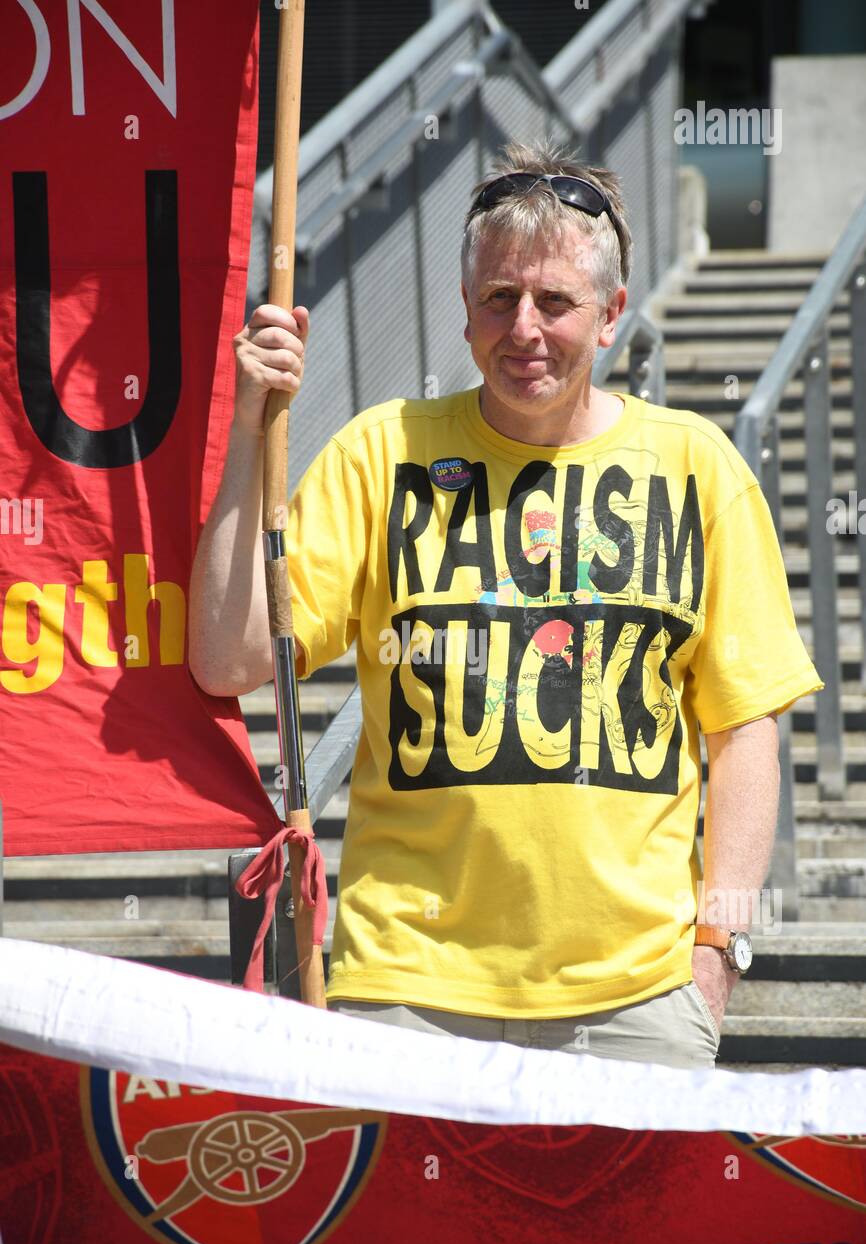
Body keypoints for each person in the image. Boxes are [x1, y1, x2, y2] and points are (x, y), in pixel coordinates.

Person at [189, 137, 824, 1071]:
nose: (523, 327)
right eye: (499, 298)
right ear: (466, 312)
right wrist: (248, 427)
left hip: (639, 1000)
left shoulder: (699, 469)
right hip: (405, 990)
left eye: (555, 302)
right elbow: (228, 657)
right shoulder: (383, 455)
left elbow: (743, 736)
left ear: (611, 317)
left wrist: (718, 950)